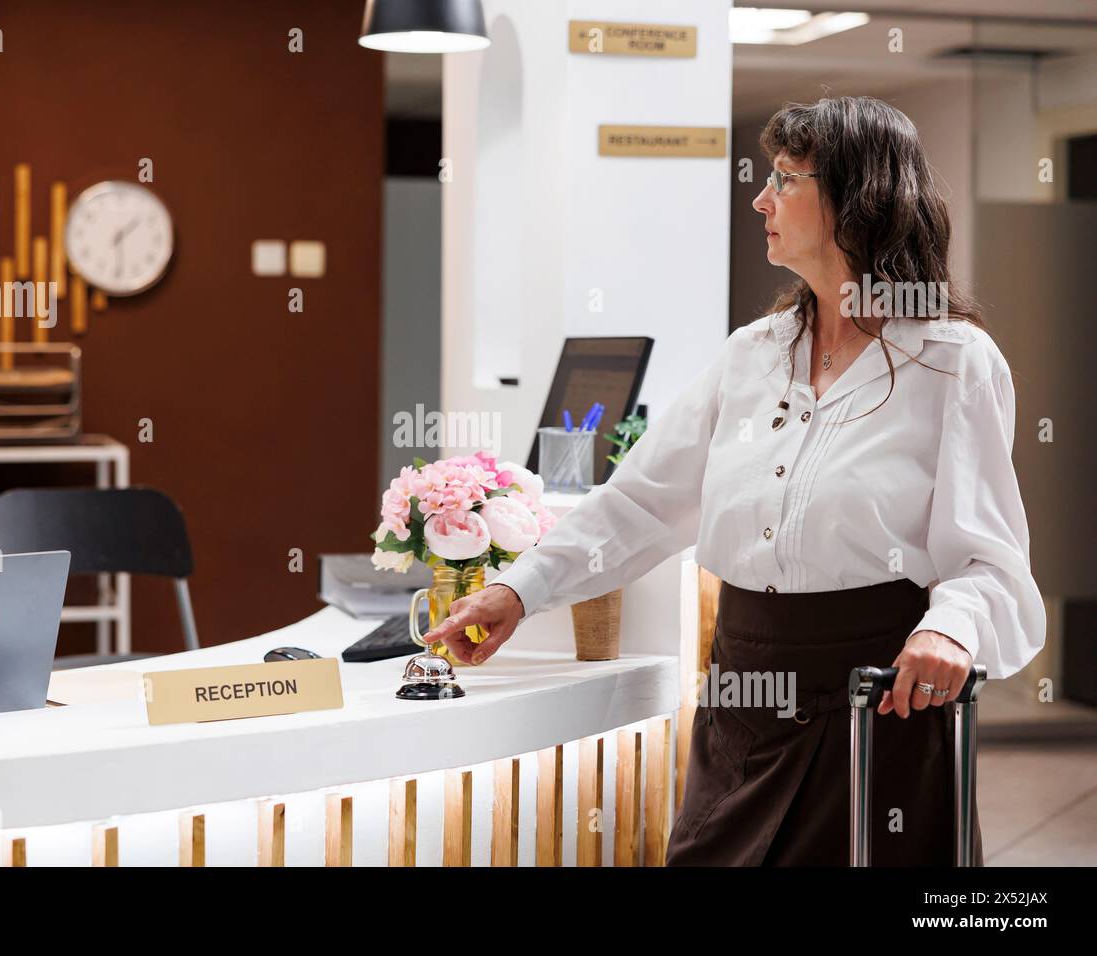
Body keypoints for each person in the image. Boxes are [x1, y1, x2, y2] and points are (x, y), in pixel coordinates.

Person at [420, 95, 1046, 866]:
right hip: (744, 697)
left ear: (859, 197)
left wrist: (950, 627)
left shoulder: (952, 362)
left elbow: (989, 559)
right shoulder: (753, 353)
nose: (760, 198)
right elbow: (642, 503)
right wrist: (520, 589)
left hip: (880, 704)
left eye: (784, 179)